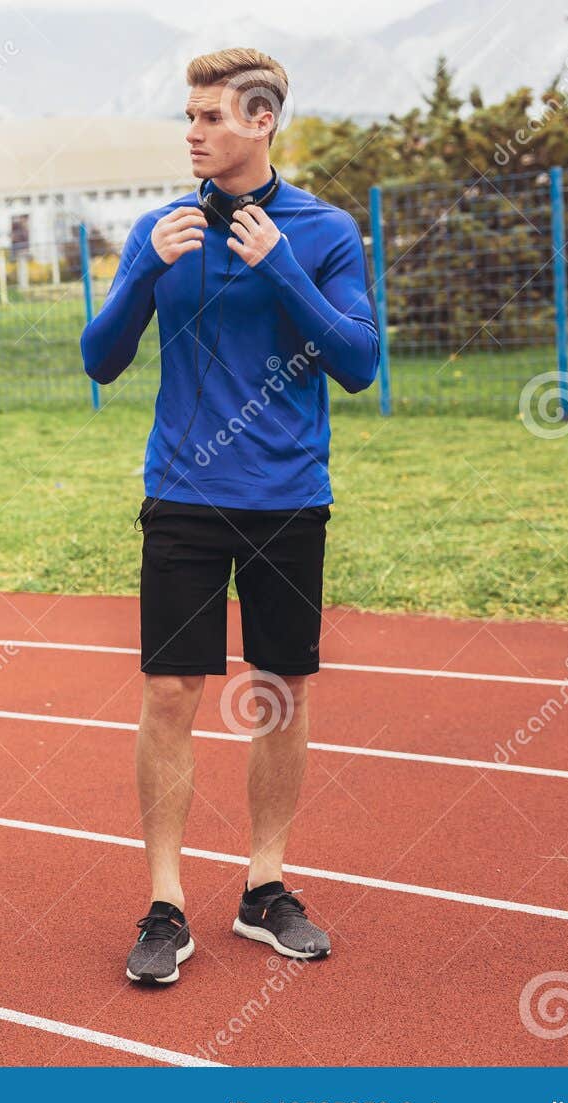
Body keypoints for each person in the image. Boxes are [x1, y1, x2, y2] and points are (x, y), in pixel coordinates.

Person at [79, 49, 379, 985]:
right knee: (170, 693)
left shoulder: (323, 232)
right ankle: (165, 903)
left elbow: (359, 362)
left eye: (211, 117)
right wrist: (137, 278)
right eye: (190, 115)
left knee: (280, 692)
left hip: (289, 498)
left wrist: (283, 269)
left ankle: (264, 887)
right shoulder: (158, 228)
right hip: (182, 495)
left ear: (261, 122)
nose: (194, 132)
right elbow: (99, 359)